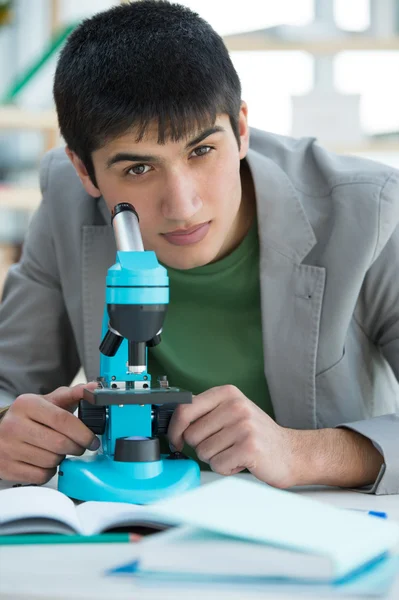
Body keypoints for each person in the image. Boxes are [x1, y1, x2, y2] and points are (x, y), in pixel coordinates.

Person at [0, 0, 398, 494]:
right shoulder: (65, 199)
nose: (183, 206)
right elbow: (9, 381)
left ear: (242, 128)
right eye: (138, 169)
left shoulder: (372, 212)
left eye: (202, 151)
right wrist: (7, 431)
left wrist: (299, 451)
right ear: (85, 171)